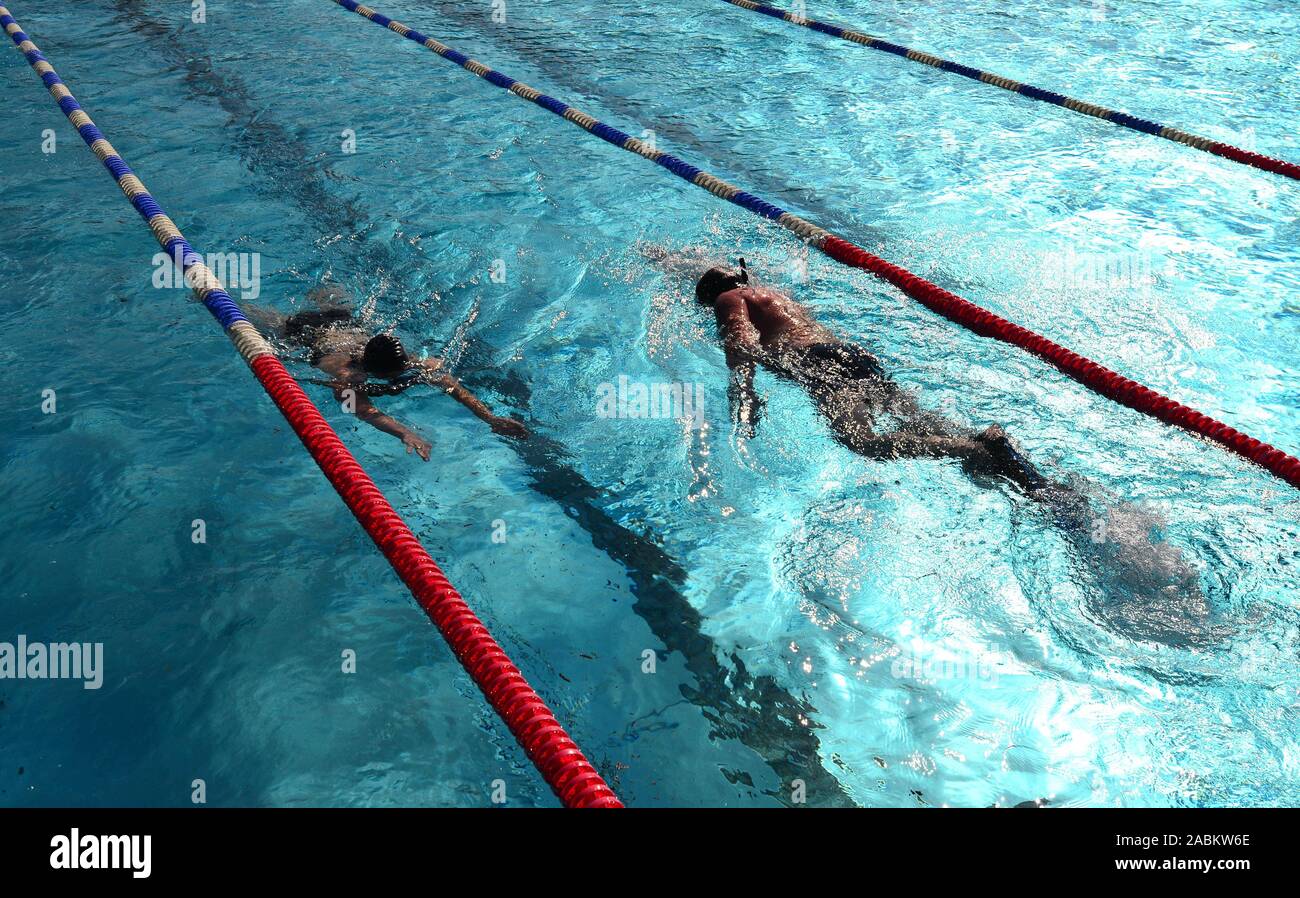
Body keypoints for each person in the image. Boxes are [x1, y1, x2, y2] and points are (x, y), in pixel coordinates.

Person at [695, 260, 1047, 491]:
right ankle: (985, 438)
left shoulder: (728, 297)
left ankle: (971, 451)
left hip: (817, 365)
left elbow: (738, 339)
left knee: (862, 442)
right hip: (852, 355)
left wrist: (745, 392)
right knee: (919, 419)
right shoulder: (775, 295)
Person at [248, 287, 527, 461]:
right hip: (304, 335)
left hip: (343, 323)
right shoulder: (348, 375)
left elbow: (451, 386)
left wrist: (489, 416)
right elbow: (364, 411)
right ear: (375, 371)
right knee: (260, 319)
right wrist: (404, 433)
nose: (402, 373)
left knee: (334, 298)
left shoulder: (413, 363)